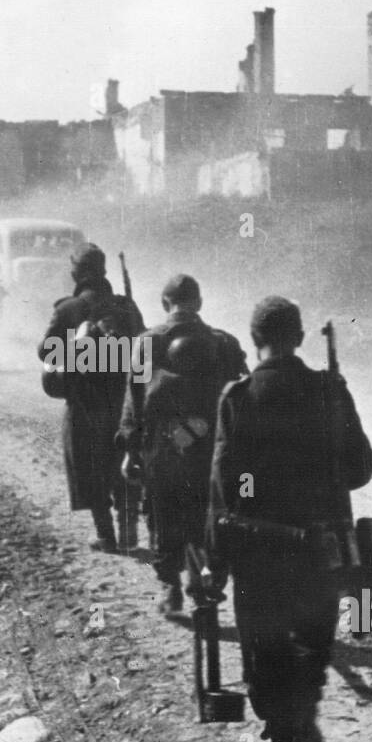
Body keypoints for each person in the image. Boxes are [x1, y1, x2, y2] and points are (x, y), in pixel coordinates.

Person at [205, 296, 372, 742]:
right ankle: (298, 726)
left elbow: (224, 485)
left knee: (270, 650)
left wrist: (215, 561)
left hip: (261, 549)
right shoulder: (329, 389)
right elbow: (360, 468)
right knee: (313, 644)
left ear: (255, 339)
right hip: (323, 548)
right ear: (299, 338)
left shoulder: (237, 397)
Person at [118, 274, 247, 614]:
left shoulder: (147, 342)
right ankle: (204, 577)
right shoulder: (226, 343)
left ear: (164, 304)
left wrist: (131, 449)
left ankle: (169, 587)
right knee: (210, 511)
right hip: (212, 448)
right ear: (199, 303)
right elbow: (242, 397)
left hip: (164, 449)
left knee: (162, 512)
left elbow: (133, 399)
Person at [38, 243, 144, 553]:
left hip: (85, 401)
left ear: (77, 272)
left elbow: (44, 351)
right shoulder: (127, 306)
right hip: (124, 400)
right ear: (104, 271)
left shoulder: (68, 309)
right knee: (123, 458)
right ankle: (128, 530)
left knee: (90, 463)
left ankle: (105, 535)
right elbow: (142, 349)